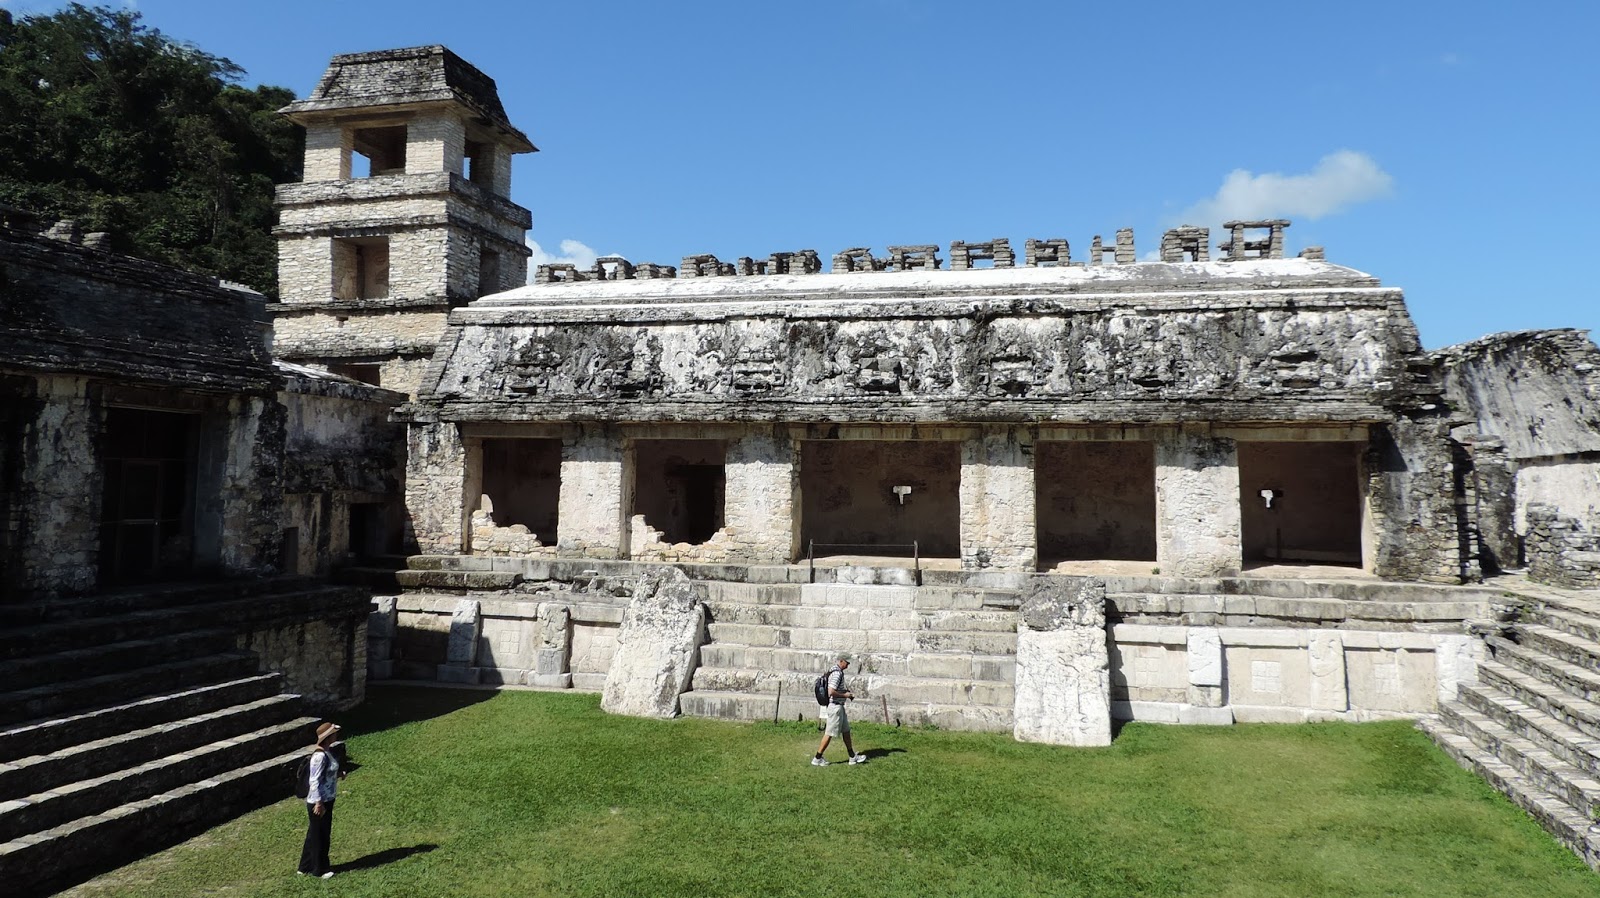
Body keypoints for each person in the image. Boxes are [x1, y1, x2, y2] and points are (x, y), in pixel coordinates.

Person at [298, 721, 345, 879]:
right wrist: (318, 803)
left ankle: (304, 867)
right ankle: (320, 869)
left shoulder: (327, 752)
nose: (336, 735)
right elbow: (314, 781)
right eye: (334, 733)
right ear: (328, 737)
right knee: (321, 836)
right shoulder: (319, 756)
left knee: (314, 833)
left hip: (327, 798)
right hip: (320, 801)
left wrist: (338, 775)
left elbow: (327, 772)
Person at [812, 655, 866, 767]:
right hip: (835, 707)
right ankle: (817, 758)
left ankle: (852, 756)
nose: (848, 665)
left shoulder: (834, 671)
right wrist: (845, 695)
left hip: (839, 706)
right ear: (841, 661)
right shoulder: (837, 674)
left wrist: (846, 694)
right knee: (829, 733)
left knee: (846, 731)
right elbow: (831, 691)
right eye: (847, 662)